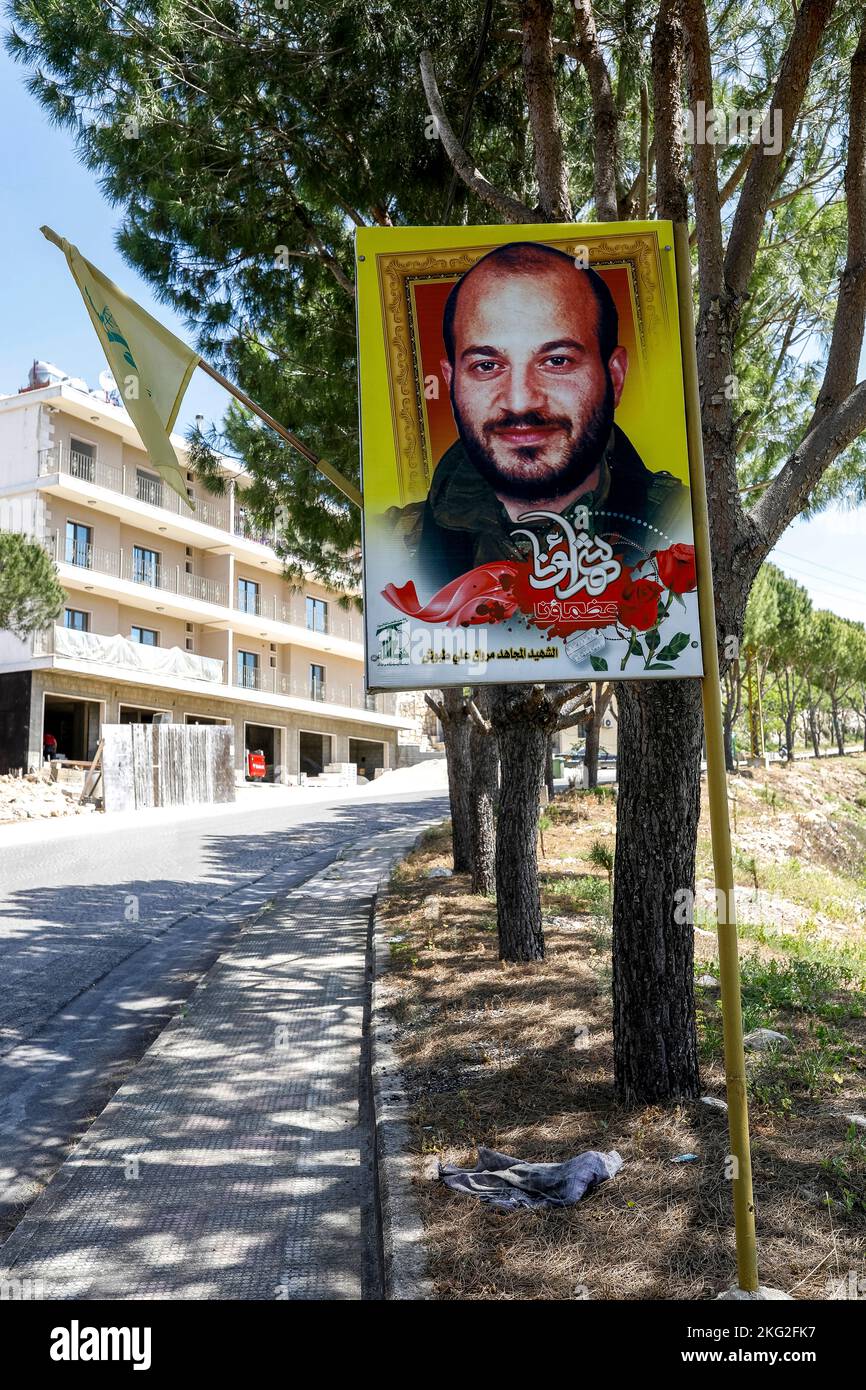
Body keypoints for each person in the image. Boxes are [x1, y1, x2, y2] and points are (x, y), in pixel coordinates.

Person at [387, 241, 690, 590]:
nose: (520, 402)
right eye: (487, 366)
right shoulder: (394, 549)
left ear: (615, 377)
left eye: (557, 361)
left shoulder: (682, 530)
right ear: (452, 382)